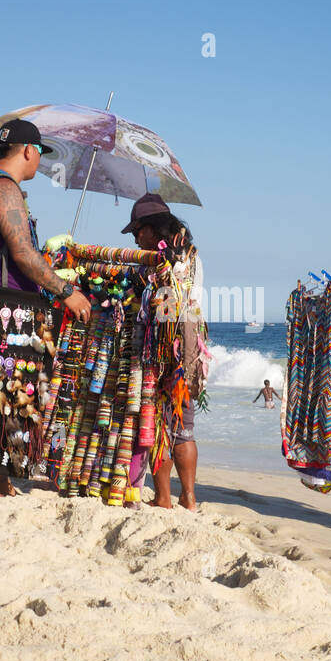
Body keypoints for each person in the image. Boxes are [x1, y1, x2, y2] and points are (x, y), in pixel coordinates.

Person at [0, 117, 92, 499]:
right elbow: (22, 254)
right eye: (40, 152)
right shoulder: (4, 190)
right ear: (27, 150)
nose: (40, 160)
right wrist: (68, 290)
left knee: (5, 397)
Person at [122, 194, 210, 511]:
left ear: (152, 229)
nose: (135, 238)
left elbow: (164, 307)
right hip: (190, 344)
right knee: (183, 427)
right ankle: (188, 497)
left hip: (166, 346)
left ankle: (163, 497)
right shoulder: (191, 255)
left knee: (159, 421)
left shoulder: (166, 261)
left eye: (137, 231)